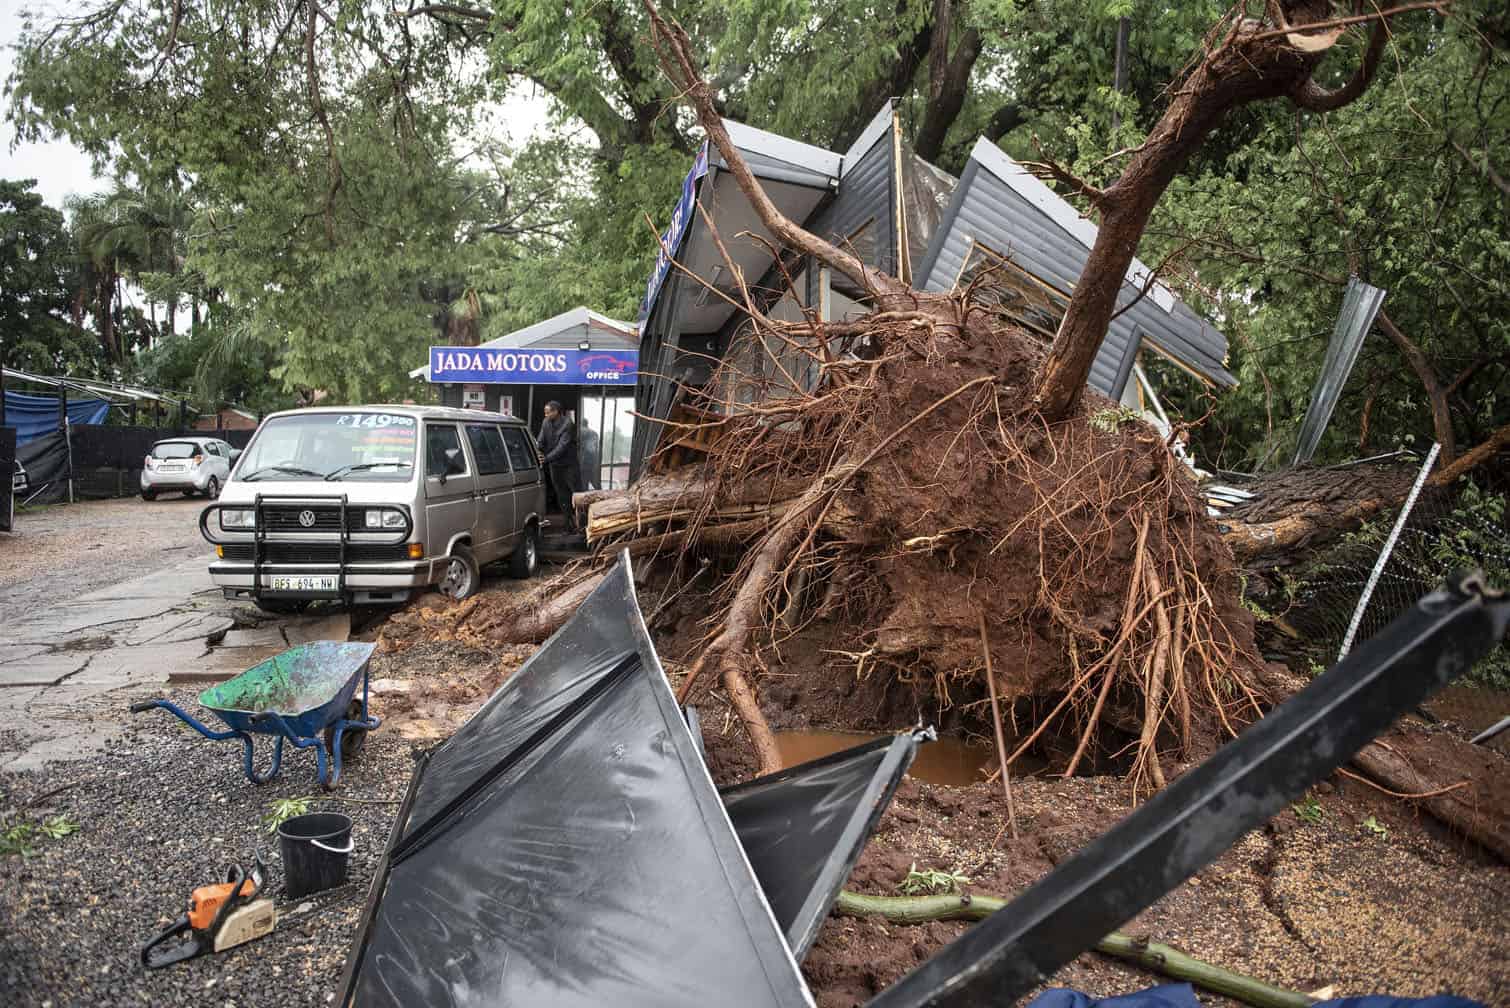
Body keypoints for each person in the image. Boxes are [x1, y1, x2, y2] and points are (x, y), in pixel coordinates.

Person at [536, 400, 581, 535]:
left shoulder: (568, 424)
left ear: (556, 412)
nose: (545, 415)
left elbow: (563, 446)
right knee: (562, 496)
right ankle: (568, 526)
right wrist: (537, 449)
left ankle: (583, 526)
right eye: (545, 412)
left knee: (577, 495)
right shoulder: (546, 423)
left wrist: (546, 458)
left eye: (548, 412)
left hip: (569, 466)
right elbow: (541, 440)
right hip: (555, 466)